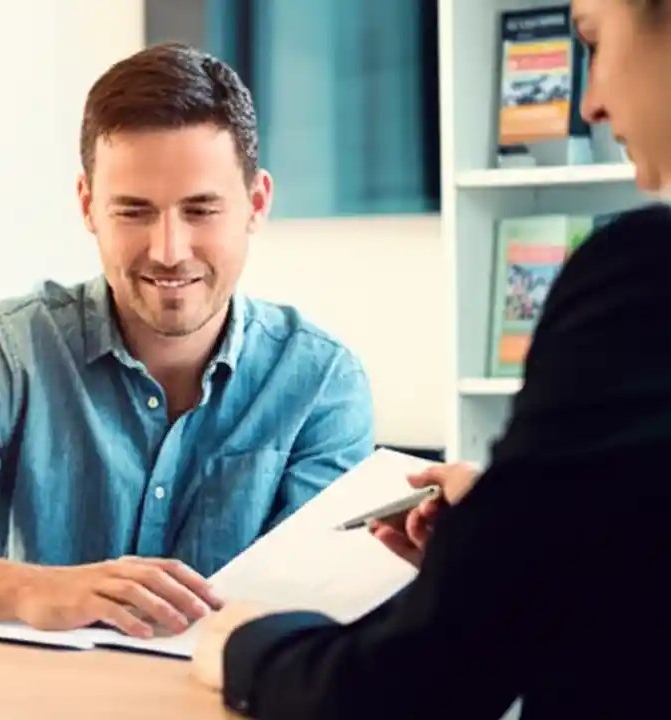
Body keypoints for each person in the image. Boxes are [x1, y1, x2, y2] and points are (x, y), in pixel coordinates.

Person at [0, 44, 375, 639]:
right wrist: (37, 589)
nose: (170, 250)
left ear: (256, 204)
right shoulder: (11, 349)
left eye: (201, 210)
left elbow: (320, 607)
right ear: (87, 206)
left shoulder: (321, 381)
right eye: (134, 212)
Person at [193, 0, 671, 717]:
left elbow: (419, 683)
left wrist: (250, 647)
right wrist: (503, 539)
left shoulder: (642, 284)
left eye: (594, 42)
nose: (591, 101)